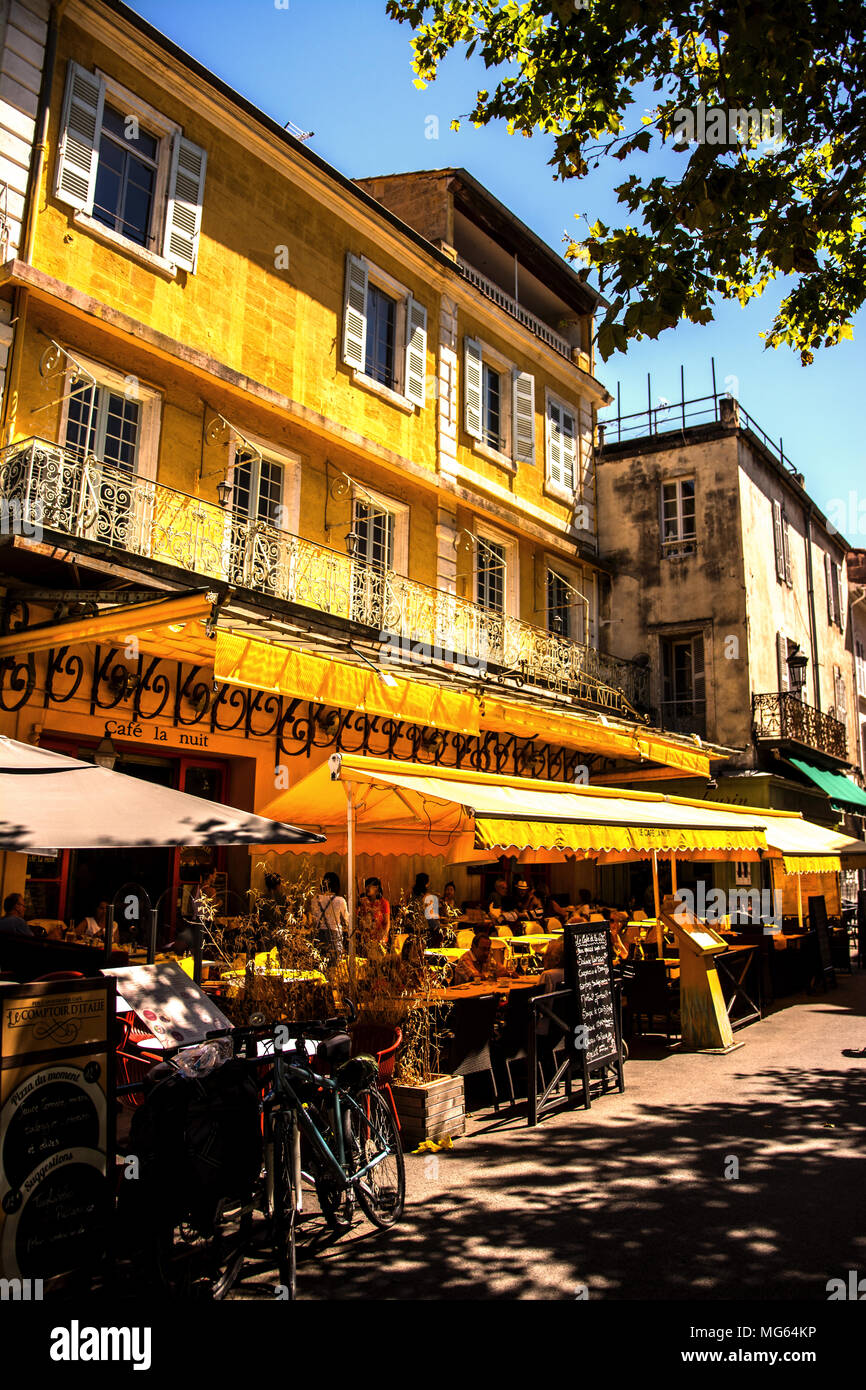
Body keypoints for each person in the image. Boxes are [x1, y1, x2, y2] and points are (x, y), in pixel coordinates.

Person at [309, 872, 349, 961]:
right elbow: (347, 920)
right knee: (334, 964)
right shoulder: (340, 900)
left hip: (319, 935)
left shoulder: (315, 899)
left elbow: (314, 919)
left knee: (319, 963)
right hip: (334, 935)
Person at [356, 876, 390, 952]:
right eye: (366, 887)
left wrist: (383, 938)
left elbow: (387, 922)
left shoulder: (384, 903)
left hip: (379, 940)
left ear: (376, 888)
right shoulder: (364, 902)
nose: (366, 888)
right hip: (365, 940)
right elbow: (358, 919)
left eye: (369, 886)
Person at [411, 872, 441, 944]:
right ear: (427, 884)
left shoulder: (410, 894)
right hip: (424, 929)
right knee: (439, 930)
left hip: (411, 927)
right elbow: (429, 916)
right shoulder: (428, 896)